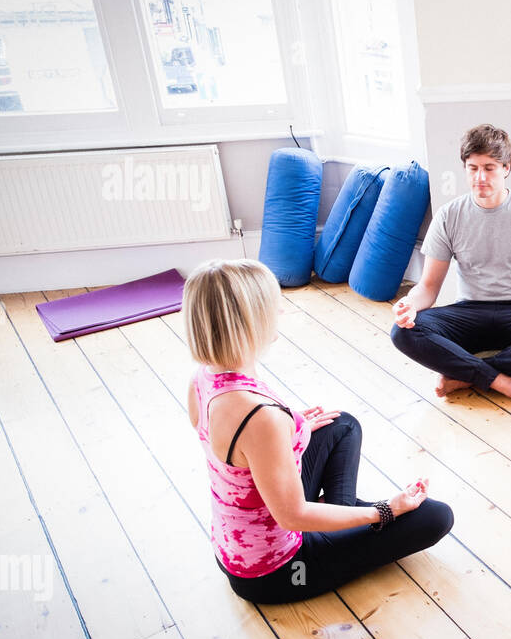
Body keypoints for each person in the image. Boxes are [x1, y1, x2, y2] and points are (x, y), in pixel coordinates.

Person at [183, 259, 454, 604]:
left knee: (342, 426)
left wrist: (293, 432)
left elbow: (236, 455)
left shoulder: (203, 378)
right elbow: (291, 515)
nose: (279, 308)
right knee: (436, 516)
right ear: (249, 321)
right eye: (272, 303)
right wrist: (385, 510)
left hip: (235, 548)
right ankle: (351, 520)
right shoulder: (261, 419)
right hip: (278, 572)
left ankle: (341, 519)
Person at [390, 124, 511, 412]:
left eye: (489, 168)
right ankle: (503, 382)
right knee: (402, 332)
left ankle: (467, 376)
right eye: (472, 168)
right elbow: (428, 287)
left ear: (506, 168)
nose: (480, 177)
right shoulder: (448, 216)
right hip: (470, 311)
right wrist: (409, 305)